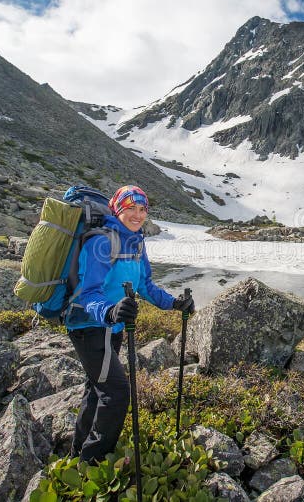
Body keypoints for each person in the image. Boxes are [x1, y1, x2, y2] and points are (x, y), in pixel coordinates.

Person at [64, 184, 195, 463]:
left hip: (115, 328)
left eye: (142, 209)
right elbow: (89, 292)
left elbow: (145, 285)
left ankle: (77, 453)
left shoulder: (136, 241)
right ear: (117, 209)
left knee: (97, 388)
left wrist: (174, 303)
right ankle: (92, 464)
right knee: (116, 393)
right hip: (90, 328)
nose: (137, 215)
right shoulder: (101, 241)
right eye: (130, 208)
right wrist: (110, 311)